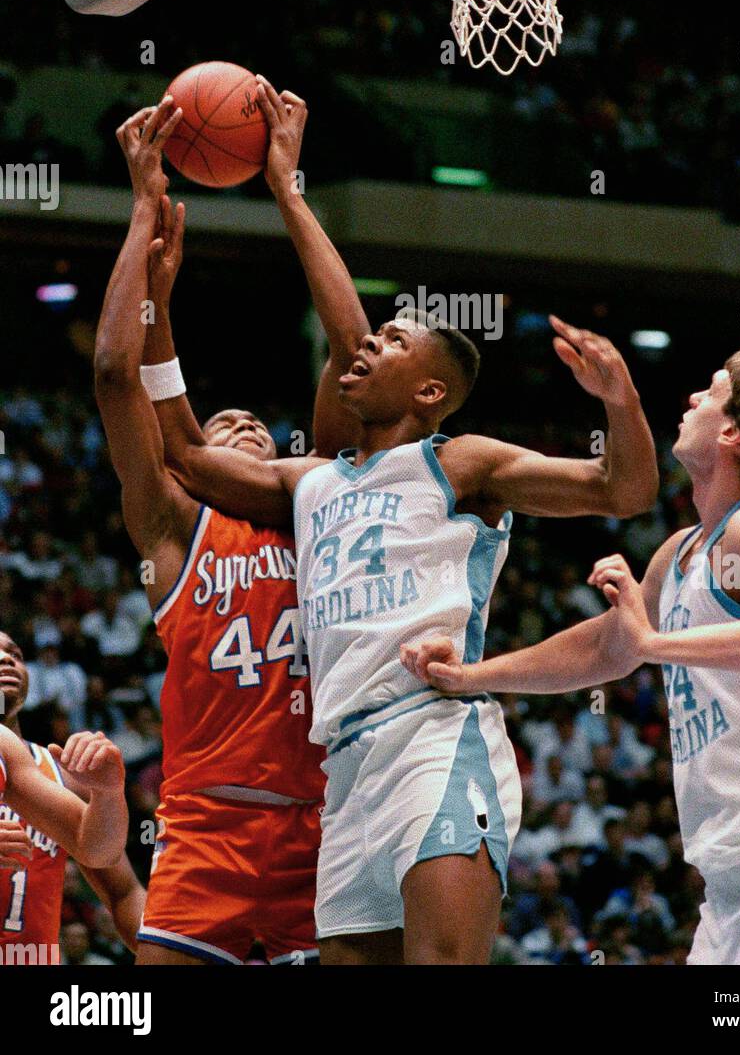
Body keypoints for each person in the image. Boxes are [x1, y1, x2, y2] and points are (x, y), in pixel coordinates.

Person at [143, 95, 658, 964]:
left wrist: (620, 399)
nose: (368, 344)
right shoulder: (309, 483)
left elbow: (626, 488)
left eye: (391, 339)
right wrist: (163, 301)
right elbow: (187, 456)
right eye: (373, 335)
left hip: (433, 735)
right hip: (343, 772)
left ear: (427, 393)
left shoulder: (460, 464)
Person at [403, 348, 740, 965]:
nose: (692, 400)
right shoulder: (682, 552)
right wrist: (473, 675)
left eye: (710, 393)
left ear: (734, 432)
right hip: (734, 882)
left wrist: (655, 644)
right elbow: (608, 646)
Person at [95, 88, 365, 966]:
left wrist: (288, 190)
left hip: (320, 836)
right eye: (223, 426)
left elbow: (351, 353)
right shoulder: (177, 528)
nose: (244, 422)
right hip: (203, 834)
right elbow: (113, 373)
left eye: (259, 425)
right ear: (195, 459)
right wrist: (142, 217)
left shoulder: (323, 505)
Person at [0, 630, 142, 964]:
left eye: (15, 654)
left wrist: (108, 794)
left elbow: (115, 878)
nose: (7, 659)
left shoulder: (53, 770)